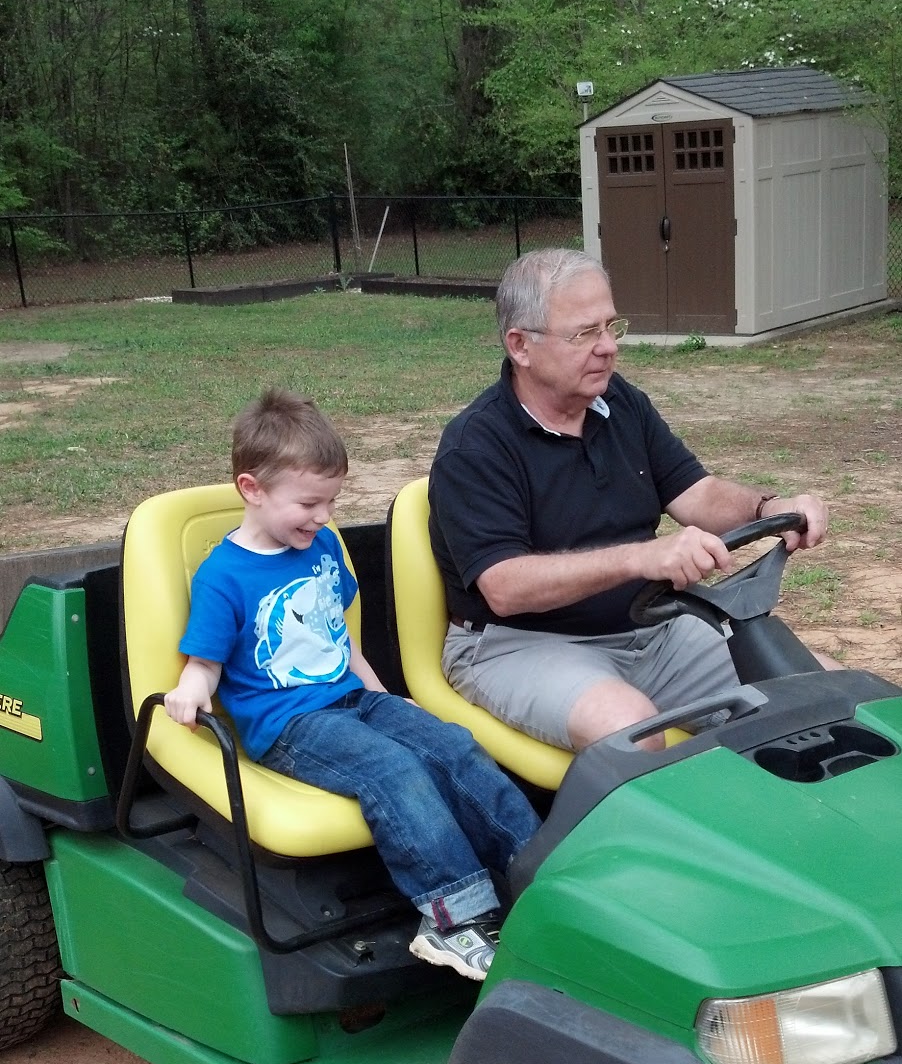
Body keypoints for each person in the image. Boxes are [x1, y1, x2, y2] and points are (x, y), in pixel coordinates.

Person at [164, 388, 541, 982]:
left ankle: (538, 873)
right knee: (394, 771)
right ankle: (454, 920)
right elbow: (205, 660)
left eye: (331, 503)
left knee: (453, 744)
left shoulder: (319, 550)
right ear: (252, 489)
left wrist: (383, 696)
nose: (323, 518)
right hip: (290, 725)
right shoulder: (223, 576)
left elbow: (339, 641)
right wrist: (190, 687)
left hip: (352, 697)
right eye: (310, 503)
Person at [429, 248, 829, 753]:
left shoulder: (622, 404)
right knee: (632, 730)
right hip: (517, 643)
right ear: (520, 346)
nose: (607, 348)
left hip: (650, 631)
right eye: (583, 333)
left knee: (821, 691)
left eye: (611, 327)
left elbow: (697, 493)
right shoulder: (476, 445)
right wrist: (640, 557)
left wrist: (767, 508)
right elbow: (506, 588)